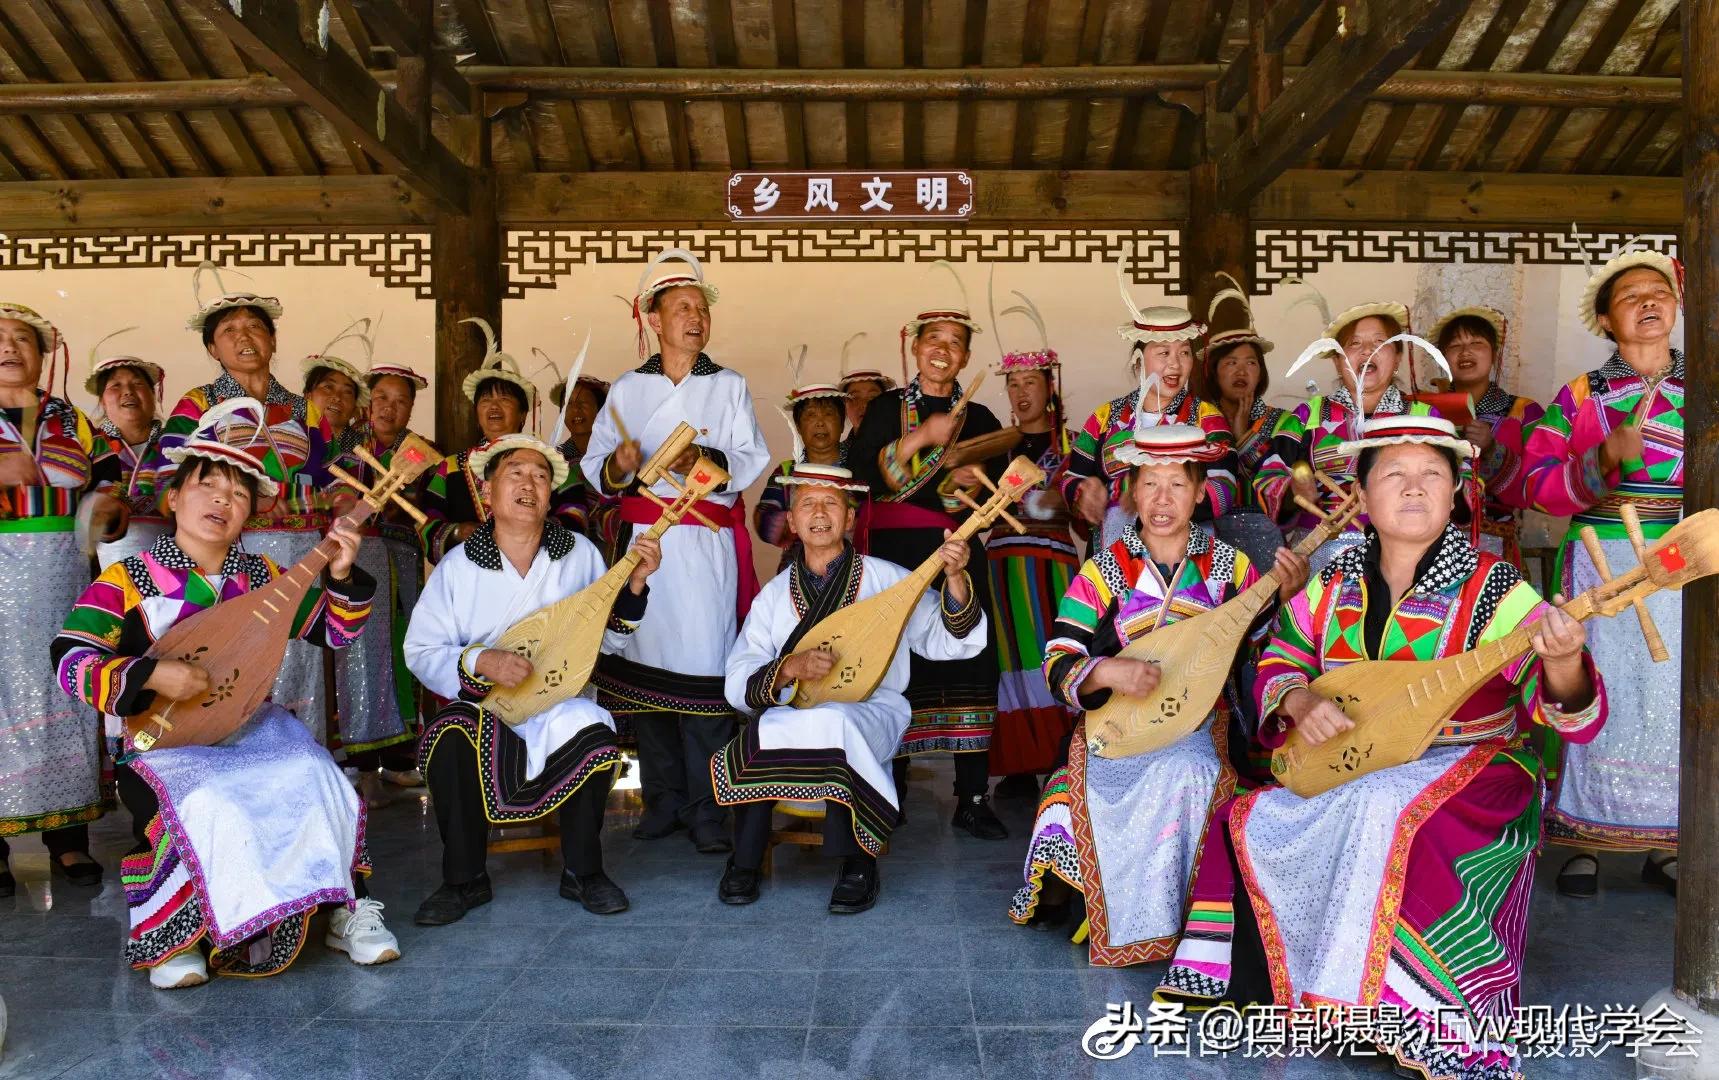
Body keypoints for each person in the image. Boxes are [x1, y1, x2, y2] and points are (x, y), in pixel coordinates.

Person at [1155, 415, 1605, 1080]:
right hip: (1357, 759)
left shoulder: (1496, 589)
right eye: (1394, 474)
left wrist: (1563, 660)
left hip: (1476, 770)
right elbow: (1280, 659)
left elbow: (1564, 708)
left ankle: (1404, 1012)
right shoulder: (1333, 583)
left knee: (1382, 809)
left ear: (1456, 493)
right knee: (1249, 815)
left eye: (1432, 474)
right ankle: (1292, 986)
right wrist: (1297, 701)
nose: (1415, 487)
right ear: (1363, 495)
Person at [53, 400, 400, 988]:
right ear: (173, 499)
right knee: (209, 799)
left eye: (238, 494)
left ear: (250, 513)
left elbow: (336, 631)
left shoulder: (261, 576)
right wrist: (149, 676)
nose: (222, 501)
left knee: (318, 774)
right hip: (164, 740)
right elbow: (69, 657)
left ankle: (347, 908)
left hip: (248, 725)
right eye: (207, 486)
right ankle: (174, 940)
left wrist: (342, 573)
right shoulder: (128, 580)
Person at [1009, 423, 1307, 964]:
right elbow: (1058, 656)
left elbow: (1261, 646)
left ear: (1200, 493)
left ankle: (1176, 918)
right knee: (1087, 789)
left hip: (1200, 720)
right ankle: (1121, 911)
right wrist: (1107, 673)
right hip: (1117, 725)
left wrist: (1285, 599)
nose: (1162, 499)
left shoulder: (1230, 566)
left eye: (1177, 485)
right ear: (1131, 493)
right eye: (1149, 484)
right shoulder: (1104, 569)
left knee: (1190, 770)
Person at [406, 434, 662, 924]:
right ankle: (463, 879)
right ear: (488, 491)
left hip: (557, 703)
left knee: (592, 727)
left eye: (541, 477)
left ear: (550, 496)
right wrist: (481, 661)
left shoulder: (580, 554)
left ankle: (583, 871)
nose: (529, 485)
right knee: (449, 734)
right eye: (516, 474)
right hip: (486, 708)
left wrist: (634, 586)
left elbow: (607, 641)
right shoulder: (457, 565)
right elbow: (420, 650)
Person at [713, 461, 985, 912]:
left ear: (851, 518)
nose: (820, 513)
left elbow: (947, 639)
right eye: (808, 505)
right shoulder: (774, 595)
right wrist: (788, 668)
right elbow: (740, 673)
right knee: (762, 731)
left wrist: (955, 577)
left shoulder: (888, 579)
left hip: (872, 707)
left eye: (831, 503)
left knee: (838, 722)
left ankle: (858, 862)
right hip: (799, 708)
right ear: (793, 522)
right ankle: (745, 860)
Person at [583, 249, 769, 854]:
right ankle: (662, 802)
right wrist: (621, 465)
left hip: (704, 541)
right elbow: (597, 467)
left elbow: (750, 458)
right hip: (646, 543)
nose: (695, 318)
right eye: (682, 308)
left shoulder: (728, 385)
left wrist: (703, 461)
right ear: (654, 319)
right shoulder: (627, 388)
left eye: (701, 309)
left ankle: (709, 809)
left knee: (705, 669)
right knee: (645, 669)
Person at [1520, 249, 1684, 897]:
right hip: (1599, 555)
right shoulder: (1582, 396)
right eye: (1630, 297)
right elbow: (1537, 482)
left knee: (1671, 695)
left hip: (1682, 559)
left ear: (1676, 305)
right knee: (1595, 682)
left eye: (1658, 293)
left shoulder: (1705, 390)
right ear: (1606, 320)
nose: (1648, 303)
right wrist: (1602, 458)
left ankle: (1667, 842)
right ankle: (1582, 839)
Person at [846, 262, 1010, 839]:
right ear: (915, 347)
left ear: (965, 358)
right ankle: (887, 788)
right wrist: (923, 437)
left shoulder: (981, 416)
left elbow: (994, 486)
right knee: (894, 664)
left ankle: (972, 796)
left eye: (955, 343)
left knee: (970, 659)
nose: (943, 350)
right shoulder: (885, 409)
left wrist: (968, 483)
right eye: (933, 339)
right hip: (892, 554)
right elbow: (861, 475)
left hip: (955, 550)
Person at [153, 263, 340, 740]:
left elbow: (330, 474)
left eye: (255, 327)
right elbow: (166, 477)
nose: (244, 337)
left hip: (305, 551)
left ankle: (301, 754)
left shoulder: (303, 409)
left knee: (301, 656)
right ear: (212, 349)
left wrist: (335, 502)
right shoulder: (198, 402)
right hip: (233, 553)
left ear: (273, 340)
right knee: (241, 657)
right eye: (229, 331)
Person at [0, 302, 115, 895]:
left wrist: (108, 508)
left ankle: (69, 837)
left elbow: (109, 482)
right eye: (0, 338)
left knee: (67, 686)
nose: (10, 347)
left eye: (23, 338)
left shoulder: (73, 421)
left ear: (43, 354)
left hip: (66, 574)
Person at [1254, 291, 1474, 572]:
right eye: (1354, 343)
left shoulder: (1424, 416)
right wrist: (1293, 491)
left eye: (1380, 342)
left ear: (1397, 357)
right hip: (1321, 552)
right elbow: (1267, 477)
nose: (1367, 351)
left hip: (1409, 552)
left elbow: (1465, 477)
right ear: (1337, 360)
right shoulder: (1307, 416)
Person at [1058, 262, 1236, 549]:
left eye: (1184, 353)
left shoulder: (1206, 418)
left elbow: (1225, 487)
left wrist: (1151, 500)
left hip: (1188, 551)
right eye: (1164, 353)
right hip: (1113, 548)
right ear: (1139, 360)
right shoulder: (1105, 417)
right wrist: (1084, 491)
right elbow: (1072, 477)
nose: (1175, 364)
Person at [329, 356, 439, 804]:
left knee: (405, 648)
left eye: (400, 401)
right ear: (368, 402)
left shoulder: (424, 453)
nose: (390, 408)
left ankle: (399, 759)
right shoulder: (347, 448)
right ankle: (362, 763)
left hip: (408, 561)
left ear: (411, 407)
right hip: (361, 559)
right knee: (359, 653)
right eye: (381, 398)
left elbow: (433, 509)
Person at [982, 291, 1078, 796]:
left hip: (1054, 568)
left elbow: (1088, 514)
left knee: (1057, 656)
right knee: (1009, 661)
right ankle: (1020, 768)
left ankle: (1064, 760)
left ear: (1049, 387)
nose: (1021, 393)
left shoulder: (1075, 446)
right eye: (1013, 384)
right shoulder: (996, 447)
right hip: (1001, 567)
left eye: (1030, 383)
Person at [419, 320, 587, 560]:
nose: (494, 406)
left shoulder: (551, 462)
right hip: (468, 572)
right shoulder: (451, 466)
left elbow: (576, 513)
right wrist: (456, 532)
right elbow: (426, 522)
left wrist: (532, 535)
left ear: (523, 414)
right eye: (486, 400)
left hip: (538, 571)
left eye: (504, 399)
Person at [1425, 307, 1544, 568]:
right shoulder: (1426, 412)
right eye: (1455, 346)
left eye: (1476, 344)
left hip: (1497, 547)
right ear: (1443, 358)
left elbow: (1540, 487)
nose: (1465, 352)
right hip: (1429, 545)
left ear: (1494, 354)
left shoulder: (1524, 411)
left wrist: (1491, 450)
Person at [1202, 277, 1287, 571]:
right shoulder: (1198, 423)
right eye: (1230, 362)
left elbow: (1283, 490)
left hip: (1268, 539)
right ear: (1214, 372)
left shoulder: (1284, 422)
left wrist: (1242, 435)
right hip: (1208, 537)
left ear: (1261, 371)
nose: (1241, 371)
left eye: (1251, 362)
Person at [755, 351, 849, 573]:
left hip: (855, 565)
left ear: (842, 423)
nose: (820, 423)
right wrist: (815, 524)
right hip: (797, 568)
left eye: (828, 414)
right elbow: (764, 522)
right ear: (798, 426)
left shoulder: (858, 466)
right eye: (810, 416)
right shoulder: (786, 472)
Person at [86, 328, 169, 569]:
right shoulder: (90, 447)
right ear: (102, 401)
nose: (128, 392)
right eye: (115, 385)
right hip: (105, 569)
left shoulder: (174, 444)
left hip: (172, 565)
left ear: (153, 396)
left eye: (138, 384)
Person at [301, 318, 372, 459]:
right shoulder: (287, 436)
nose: (337, 397)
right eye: (328, 387)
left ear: (354, 408)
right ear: (308, 395)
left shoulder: (367, 449)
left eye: (347, 392)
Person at [837, 332, 893, 435]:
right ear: (845, 405)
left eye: (873, 398)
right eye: (855, 398)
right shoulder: (838, 447)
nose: (864, 405)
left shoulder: (904, 444)